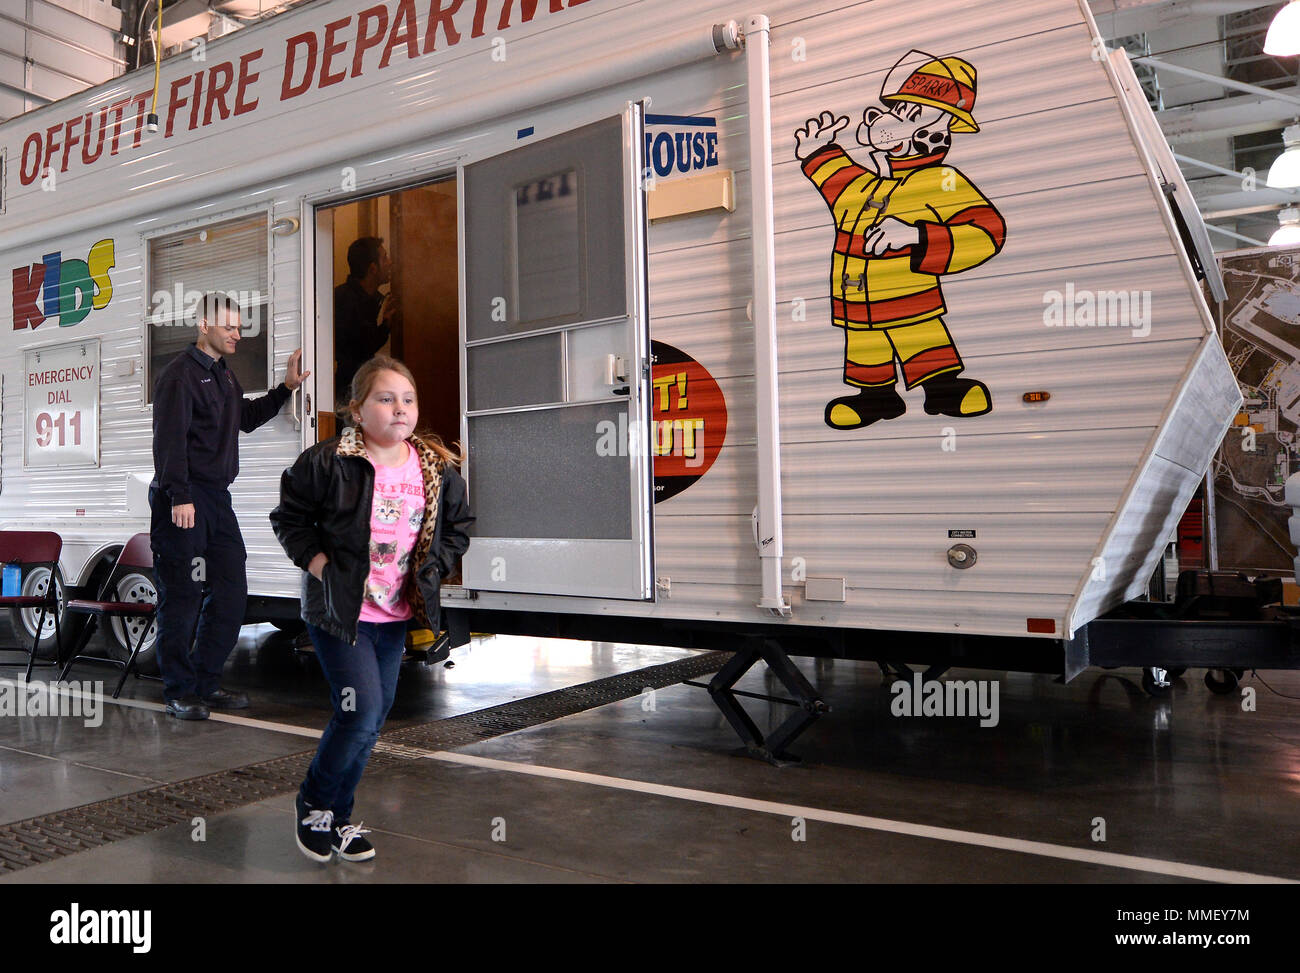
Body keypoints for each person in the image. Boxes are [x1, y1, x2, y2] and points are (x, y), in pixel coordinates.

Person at [269, 355, 472, 863]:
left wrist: (431, 568)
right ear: (357, 411)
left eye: (408, 399)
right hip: (341, 613)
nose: (399, 408)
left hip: (397, 614)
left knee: (373, 717)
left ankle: (337, 817)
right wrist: (320, 569)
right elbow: (288, 518)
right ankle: (313, 804)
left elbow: (459, 527)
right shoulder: (328, 461)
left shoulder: (434, 467)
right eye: (385, 398)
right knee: (358, 715)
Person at [151, 292, 309, 720]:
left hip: (217, 499)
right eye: (230, 328)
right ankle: (179, 692)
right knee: (182, 595)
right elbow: (169, 443)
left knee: (231, 591)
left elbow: (245, 418)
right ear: (204, 326)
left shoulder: (223, 375)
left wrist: (286, 389)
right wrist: (179, 496)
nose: (238, 334)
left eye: (240, 327)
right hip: (184, 499)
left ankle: (205, 683)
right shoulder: (179, 376)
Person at [334, 237, 397, 410]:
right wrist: (384, 327)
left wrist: (385, 324)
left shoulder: (372, 299)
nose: (390, 263)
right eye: (385, 258)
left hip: (365, 385)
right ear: (373, 268)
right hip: (348, 392)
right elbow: (359, 346)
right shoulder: (342, 300)